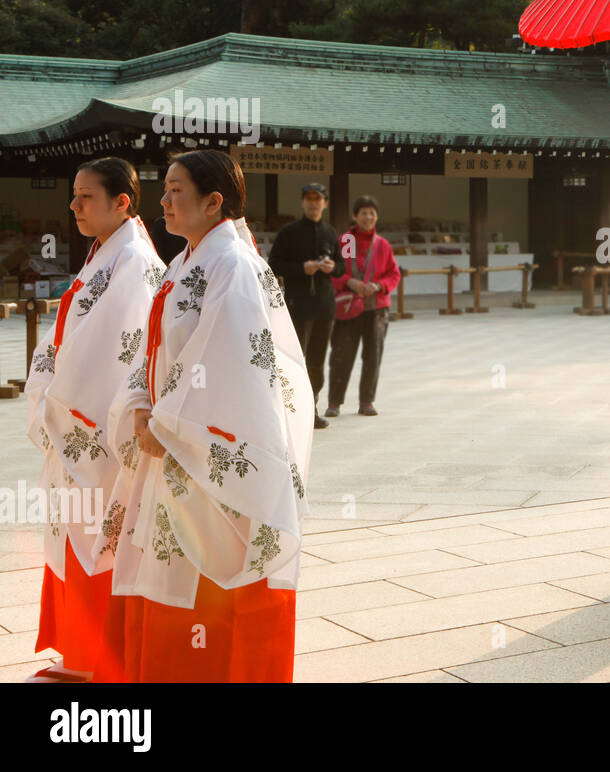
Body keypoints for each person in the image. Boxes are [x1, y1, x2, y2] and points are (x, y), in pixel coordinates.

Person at [98, 150, 311, 682]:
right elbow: (154, 350)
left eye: (175, 191)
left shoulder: (233, 265)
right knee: (171, 577)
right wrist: (142, 407)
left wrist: (164, 423)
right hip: (171, 440)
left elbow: (228, 363)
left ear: (214, 202)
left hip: (201, 448)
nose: (163, 202)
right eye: (164, 190)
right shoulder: (185, 261)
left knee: (209, 590)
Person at [25, 158, 165, 682]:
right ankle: (80, 652)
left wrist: (59, 398)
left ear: (122, 202)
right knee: (80, 533)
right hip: (80, 412)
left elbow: (114, 351)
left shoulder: (134, 262)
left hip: (100, 424)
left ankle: (98, 657)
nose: (75, 205)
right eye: (74, 195)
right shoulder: (108, 254)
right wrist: (48, 383)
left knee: (98, 535)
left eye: (86, 196)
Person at [269, 183, 344, 429]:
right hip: (297, 304)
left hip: (324, 305)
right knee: (295, 359)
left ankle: (311, 408)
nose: (313, 203)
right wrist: (302, 268)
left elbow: (343, 266)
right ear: (303, 202)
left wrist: (332, 267)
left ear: (325, 203)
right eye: (309, 199)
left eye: (318, 199)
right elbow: (274, 264)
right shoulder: (289, 232)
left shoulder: (331, 233)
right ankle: (293, 410)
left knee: (317, 360)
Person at [326, 196, 401, 417]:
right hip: (348, 308)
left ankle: (367, 401)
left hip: (376, 308)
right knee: (341, 355)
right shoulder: (346, 242)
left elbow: (393, 274)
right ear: (355, 216)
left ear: (376, 217)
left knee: (373, 355)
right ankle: (334, 402)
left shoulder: (382, 245)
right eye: (363, 213)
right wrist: (350, 282)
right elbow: (336, 270)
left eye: (372, 213)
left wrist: (378, 286)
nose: (368, 217)